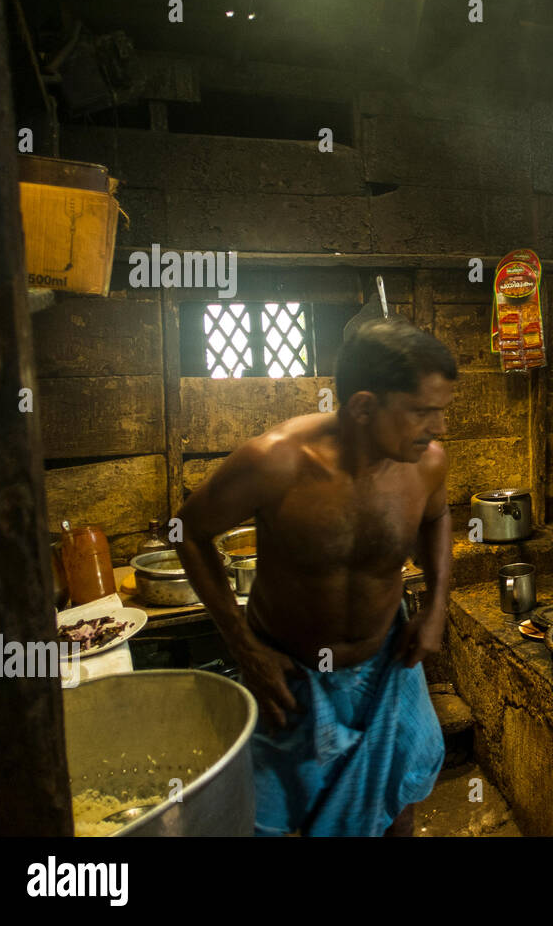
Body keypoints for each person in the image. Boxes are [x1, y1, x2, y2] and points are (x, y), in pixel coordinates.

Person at [175, 319, 457, 836]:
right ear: (364, 407)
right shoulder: (275, 462)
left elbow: (438, 517)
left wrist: (436, 606)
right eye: (422, 411)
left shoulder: (426, 464)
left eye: (441, 410)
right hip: (289, 676)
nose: (437, 426)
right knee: (272, 819)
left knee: (398, 804)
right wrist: (245, 648)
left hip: (389, 665)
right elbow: (187, 533)